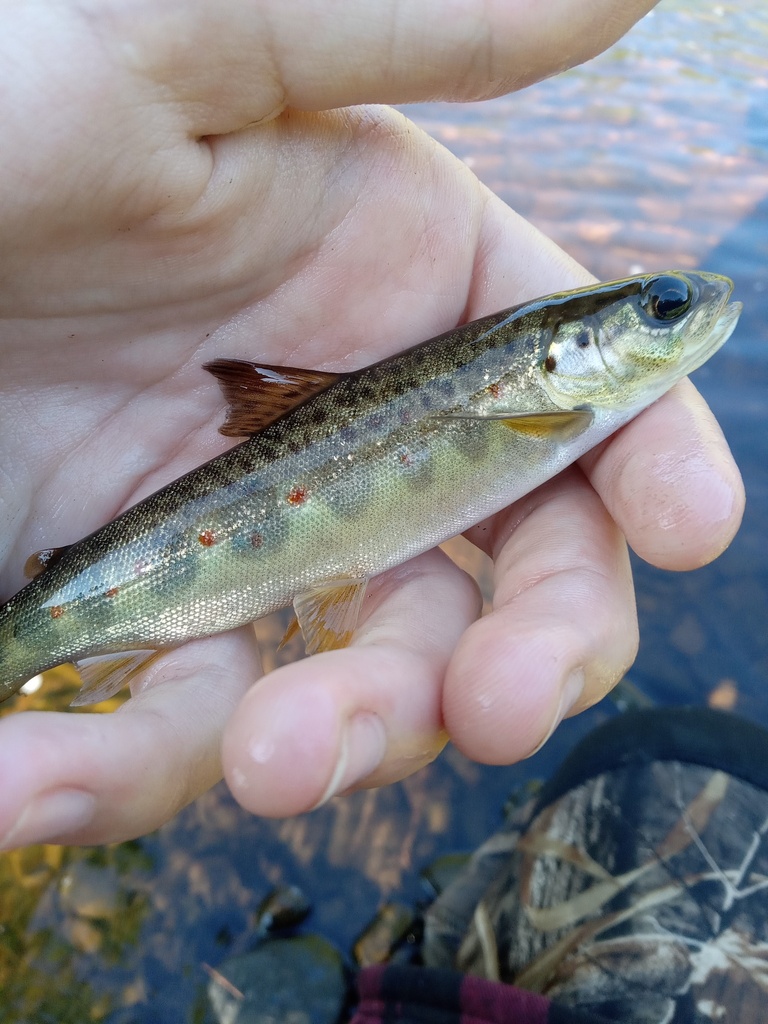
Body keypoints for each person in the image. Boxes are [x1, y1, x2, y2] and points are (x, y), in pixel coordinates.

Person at [0, 0, 744, 851]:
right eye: (663, 308)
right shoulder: (549, 397)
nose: (691, 306)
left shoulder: (550, 392)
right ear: (559, 356)